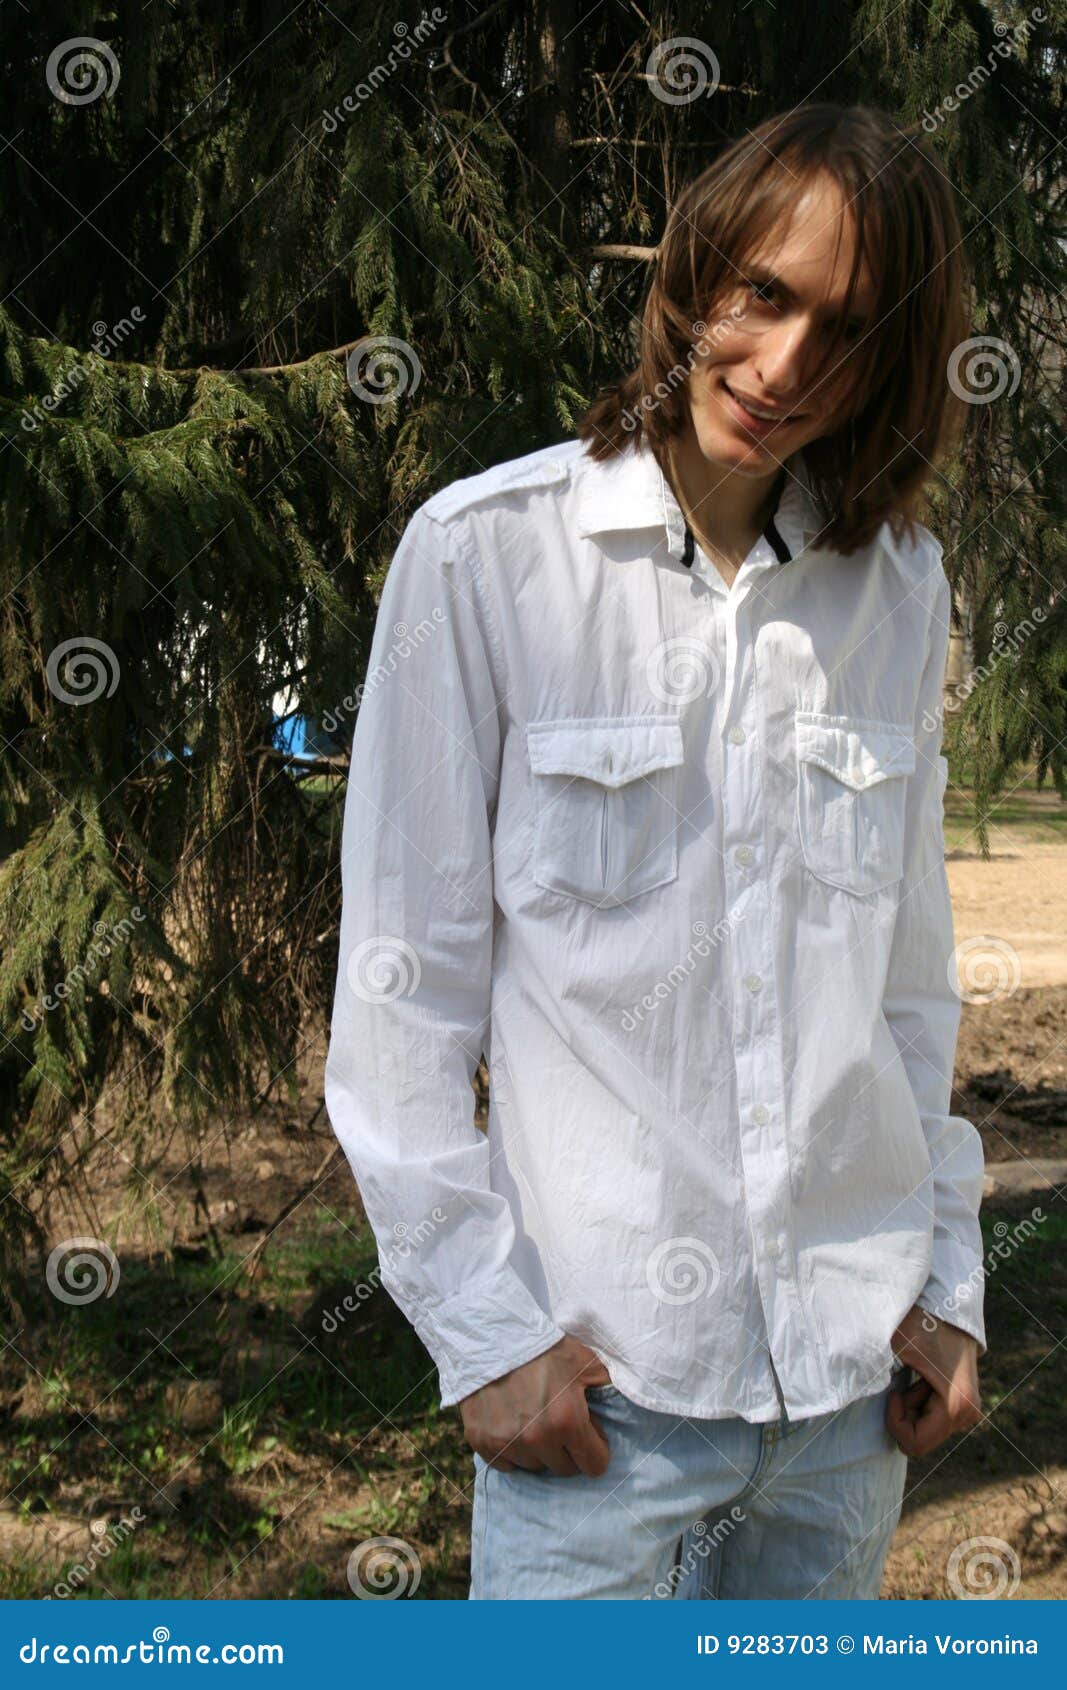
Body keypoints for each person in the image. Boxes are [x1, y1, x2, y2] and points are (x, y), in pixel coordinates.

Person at [323, 102, 987, 1601]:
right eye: (764, 293)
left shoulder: (899, 588)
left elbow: (908, 989)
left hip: (846, 1415)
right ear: (694, 275)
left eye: (849, 330)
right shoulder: (484, 555)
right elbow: (402, 1000)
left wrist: (948, 1281)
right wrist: (486, 1338)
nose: (786, 365)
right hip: (600, 1421)